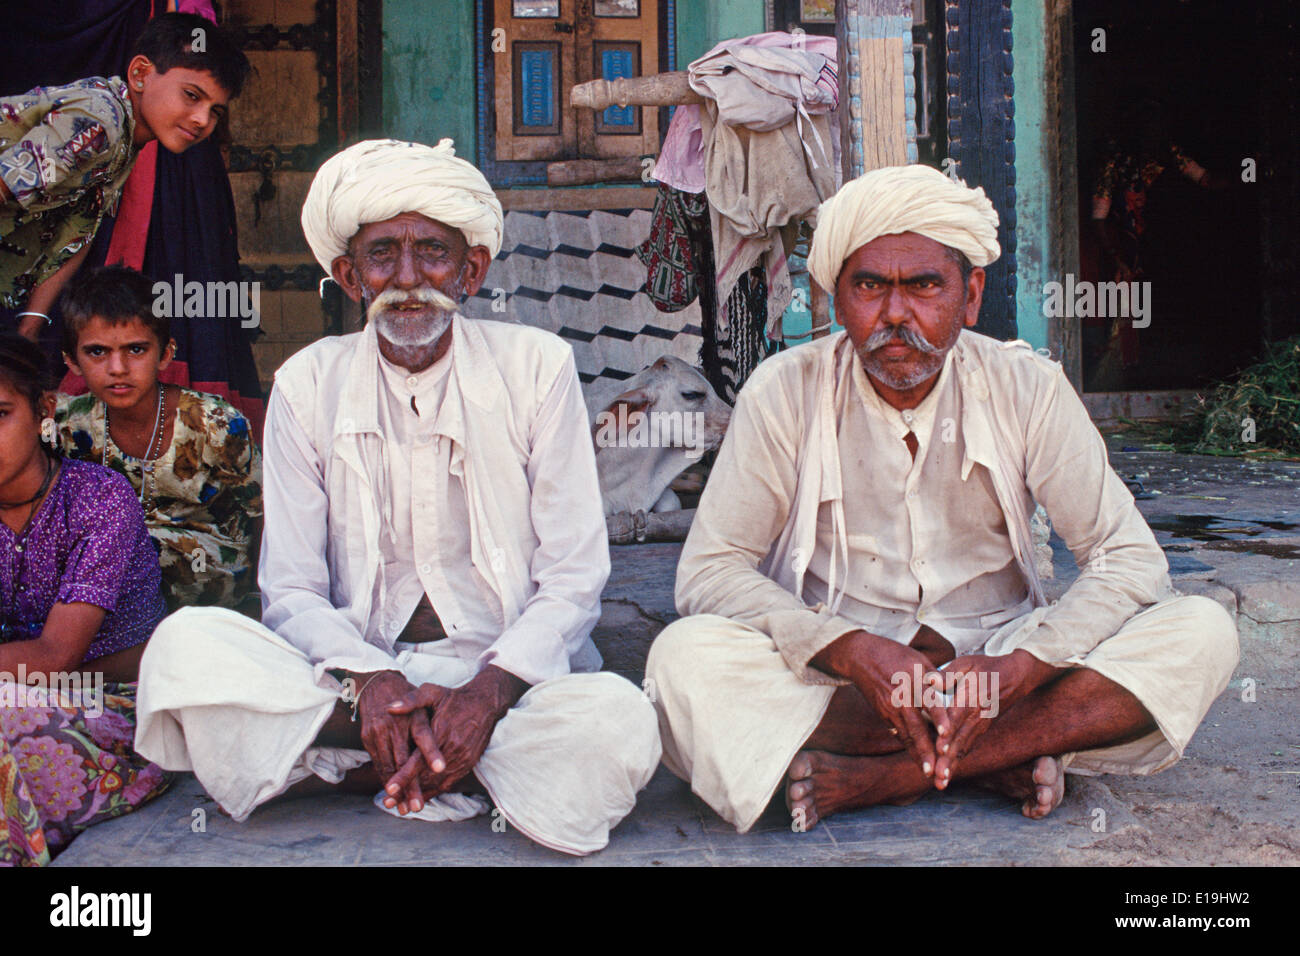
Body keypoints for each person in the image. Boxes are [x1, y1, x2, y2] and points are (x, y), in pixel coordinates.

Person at [645, 164, 1239, 833]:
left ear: (972, 294)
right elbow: (710, 571)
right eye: (870, 286)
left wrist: (1022, 666)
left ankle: (890, 777)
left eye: (924, 286)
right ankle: (1002, 757)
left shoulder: (1027, 387)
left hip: (999, 672)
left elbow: (1126, 557)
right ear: (835, 299)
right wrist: (846, 648)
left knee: (1202, 631)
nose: (896, 314)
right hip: (845, 687)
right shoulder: (783, 392)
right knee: (682, 660)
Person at [134, 139, 661, 856]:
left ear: (472, 269)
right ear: (350, 275)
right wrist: (371, 681)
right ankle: (440, 758)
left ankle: (375, 760)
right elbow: (289, 587)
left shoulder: (537, 368)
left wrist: (487, 693)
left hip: (505, 684)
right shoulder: (306, 382)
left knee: (619, 722)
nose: (409, 279)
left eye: (433, 253)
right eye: (383, 255)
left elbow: (573, 576)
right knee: (187, 648)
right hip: (356, 686)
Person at [0, 333, 170, 866]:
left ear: (44, 409)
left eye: (0, 413)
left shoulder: (98, 498)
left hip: (119, 714)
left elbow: (56, 659)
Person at [0, 12, 250, 341]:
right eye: (191, 95)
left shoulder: (125, 144)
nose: (202, 119)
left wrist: (29, 329)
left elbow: (77, 236)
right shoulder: (102, 122)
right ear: (140, 74)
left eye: (215, 110)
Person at [53, 265, 262, 613]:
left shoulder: (215, 423)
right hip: (104, 568)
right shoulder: (66, 425)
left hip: (205, 571)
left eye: (136, 350)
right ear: (71, 361)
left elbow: (262, 512)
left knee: (127, 553)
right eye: (97, 352)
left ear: (165, 354)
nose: (117, 368)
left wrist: (264, 600)